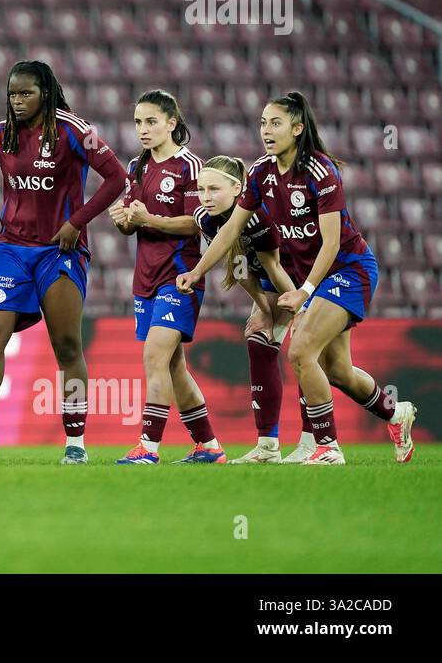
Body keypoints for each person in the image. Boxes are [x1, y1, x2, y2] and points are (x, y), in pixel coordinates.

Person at [177, 92, 417, 465]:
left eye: (275, 123)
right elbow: (228, 232)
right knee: (337, 370)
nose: (266, 131)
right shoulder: (260, 172)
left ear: (297, 128)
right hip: (316, 277)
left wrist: (304, 291)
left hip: (348, 269)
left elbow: (333, 242)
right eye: (262, 123)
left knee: (301, 350)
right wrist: (197, 270)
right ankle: (396, 412)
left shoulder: (321, 172)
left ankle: (327, 446)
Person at [0, 61, 125, 465]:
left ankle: (75, 445)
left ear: (47, 93)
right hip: (12, 250)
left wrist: (77, 222)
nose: (18, 102)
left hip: (59, 251)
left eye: (26, 94)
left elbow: (117, 179)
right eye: (12, 94)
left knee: (67, 346)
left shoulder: (74, 130)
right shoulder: (2, 135)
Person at [108, 90, 223, 464]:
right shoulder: (136, 166)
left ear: (171, 123)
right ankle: (208, 446)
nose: (143, 129)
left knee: (155, 355)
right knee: (174, 366)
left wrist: (147, 219)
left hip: (180, 276)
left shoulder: (190, 166)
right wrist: (125, 221)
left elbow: (196, 222)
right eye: (138, 122)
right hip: (145, 277)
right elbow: (134, 224)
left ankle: (148, 448)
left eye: (151, 121)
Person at [190, 154, 303, 463]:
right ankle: (269, 445)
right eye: (201, 190)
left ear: (237, 189)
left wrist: (300, 303)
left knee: (319, 358)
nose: (206, 197)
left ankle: (319, 441)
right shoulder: (205, 219)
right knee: (259, 341)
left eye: (214, 189)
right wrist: (260, 306)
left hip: (297, 276)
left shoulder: (256, 215)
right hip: (267, 282)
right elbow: (238, 266)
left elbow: (274, 266)